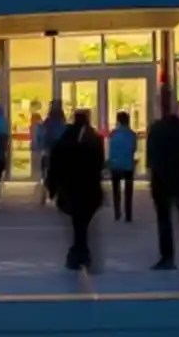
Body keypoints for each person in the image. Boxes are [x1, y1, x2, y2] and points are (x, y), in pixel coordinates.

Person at [146, 86, 179, 277]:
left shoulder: (156, 129)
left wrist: (154, 177)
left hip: (162, 180)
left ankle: (167, 257)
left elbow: (151, 158)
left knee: (165, 220)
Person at [49, 109, 105, 271]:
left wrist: (53, 186)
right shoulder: (92, 138)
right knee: (82, 222)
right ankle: (81, 251)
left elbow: (56, 162)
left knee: (77, 222)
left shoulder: (66, 138)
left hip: (71, 187)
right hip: (89, 187)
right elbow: (99, 163)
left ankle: (79, 251)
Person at [107, 111, 137, 223]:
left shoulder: (113, 134)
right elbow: (134, 148)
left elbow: (111, 150)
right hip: (128, 164)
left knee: (116, 190)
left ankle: (117, 212)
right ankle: (128, 214)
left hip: (115, 164)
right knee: (129, 191)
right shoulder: (132, 134)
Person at [40, 102, 68, 204]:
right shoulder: (63, 123)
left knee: (47, 171)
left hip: (49, 150)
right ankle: (59, 192)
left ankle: (47, 191)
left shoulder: (48, 122)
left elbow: (43, 135)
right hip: (61, 152)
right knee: (60, 172)